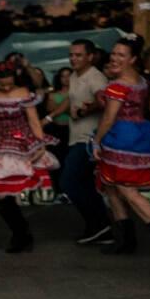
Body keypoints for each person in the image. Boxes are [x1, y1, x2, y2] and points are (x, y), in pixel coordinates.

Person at [93, 34, 150, 259]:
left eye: (121, 55)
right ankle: (125, 240)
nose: (114, 58)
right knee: (111, 186)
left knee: (127, 191)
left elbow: (108, 118)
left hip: (121, 137)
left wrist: (96, 141)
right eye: (113, 53)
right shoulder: (140, 80)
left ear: (132, 59)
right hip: (139, 132)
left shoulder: (118, 85)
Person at [0, 60, 58, 253]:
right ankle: (21, 231)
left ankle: (21, 234)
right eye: (2, 85)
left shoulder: (23, 93)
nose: (7, 88)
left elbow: (33, 121)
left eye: (10, 83)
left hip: (20, 145)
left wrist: (40, 144)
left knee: (8, 192)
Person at [61, 39, 114, 243]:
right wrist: (48, 118)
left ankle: (100, 224)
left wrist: (86, 109)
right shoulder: (75, 75)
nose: (73, 58)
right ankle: (101, 228)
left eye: (78, 55)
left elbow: (104, 100)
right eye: (71, 54)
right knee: (84, 184)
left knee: (69, 182)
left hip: (89, 139)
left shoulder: (96, 77)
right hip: (77, 137)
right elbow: (70, 99)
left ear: (90, 57)